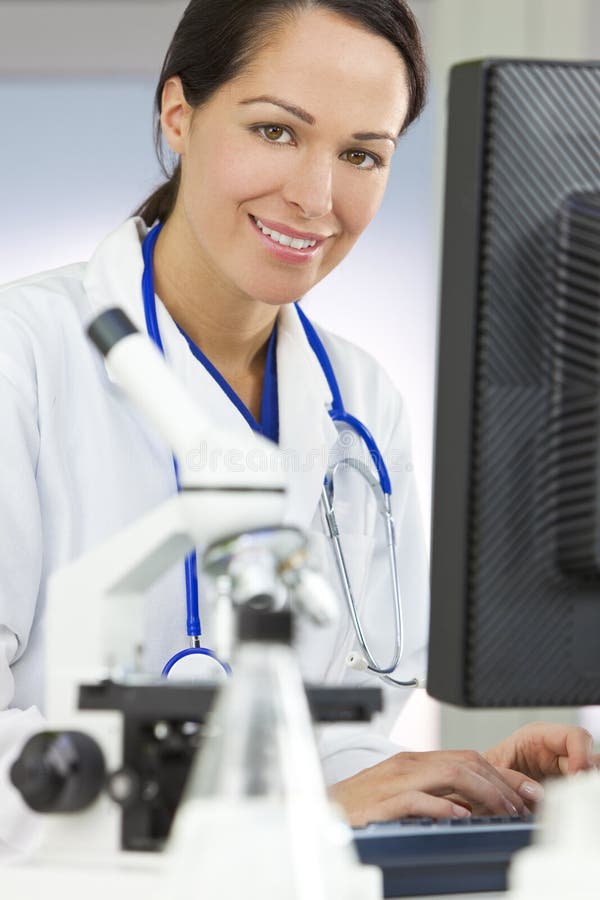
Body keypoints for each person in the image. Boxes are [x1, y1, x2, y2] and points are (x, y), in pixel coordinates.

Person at [0, 0, 596, 854]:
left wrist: (456, 788)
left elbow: (332, 737)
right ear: (179, 113)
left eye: (361, 154)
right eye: (276, 131)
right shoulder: (21, 356)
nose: (316, 198)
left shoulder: (360, 401)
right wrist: (294, 818)